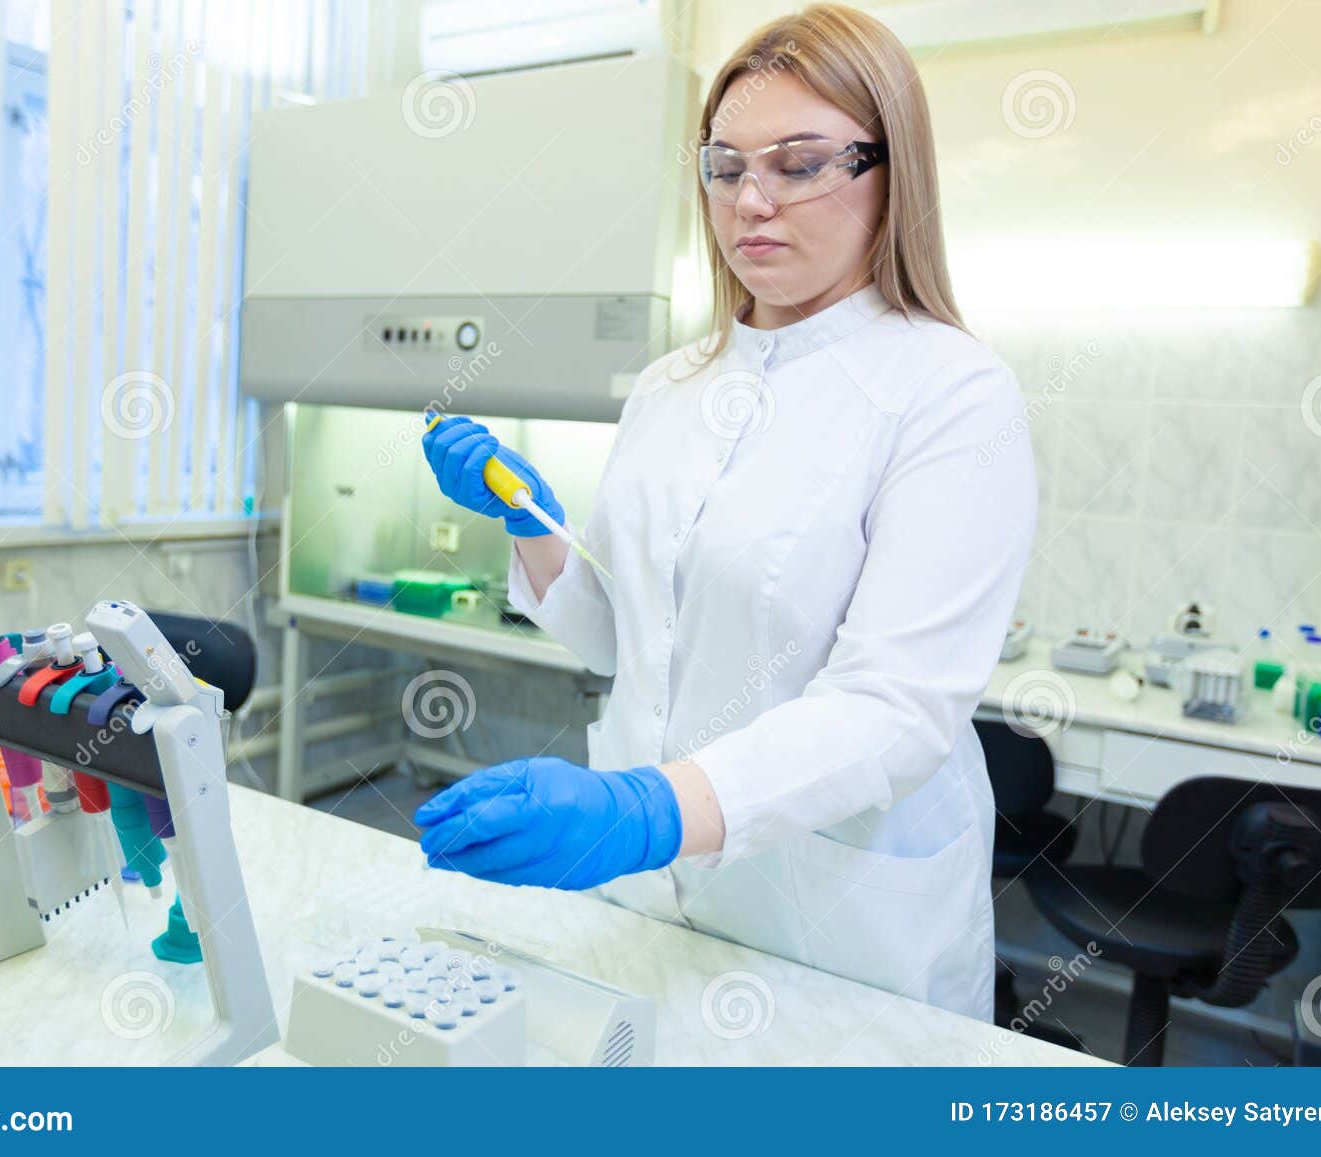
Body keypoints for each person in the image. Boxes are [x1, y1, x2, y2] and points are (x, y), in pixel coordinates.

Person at [414, 4, 1035, 1020]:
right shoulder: (669, 384)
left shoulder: (952, 393)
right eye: (725, 165)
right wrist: (528, 522)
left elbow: (895, 709)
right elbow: (623, 643)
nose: (751, 200)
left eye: (798, 164)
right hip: (639, 907)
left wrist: (653, 807)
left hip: (832, 928)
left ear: (892, 173)